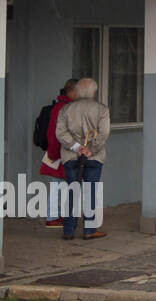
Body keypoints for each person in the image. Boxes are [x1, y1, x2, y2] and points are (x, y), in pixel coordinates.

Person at [55, 77, 111, 240]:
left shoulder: (66, 109)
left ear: (78, 92)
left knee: (72, 191)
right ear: (94, 91)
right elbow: (103, 133)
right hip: (94, 157)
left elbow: (60, 132)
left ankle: (68, 230)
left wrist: (75, 147)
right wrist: (90, 149)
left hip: (71, 156)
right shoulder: (102, 109)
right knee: (91, 192)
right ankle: (89, 230)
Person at [38, 79, 79, 228]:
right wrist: (54, 153)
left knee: (61, 185)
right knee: (58, 185)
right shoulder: (62, 108)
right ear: (72, 91)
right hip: (60, 153)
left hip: (61, 152)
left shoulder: (63, 106)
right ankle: (53, 216)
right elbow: (54, 133)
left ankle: (56, 215)